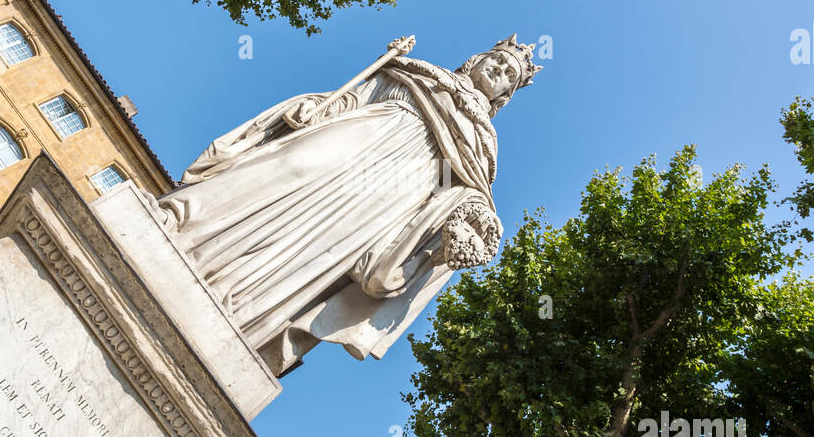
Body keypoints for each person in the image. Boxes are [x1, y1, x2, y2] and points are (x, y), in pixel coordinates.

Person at [161, 34, 540, 375]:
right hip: (357, 136)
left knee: (317, 243)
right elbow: (359, 97)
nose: (500, 69)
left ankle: (242, 302)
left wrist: (464, 225)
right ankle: (184, 226)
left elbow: (454, 194)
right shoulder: (421, 74)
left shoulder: (483, 145)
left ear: (504, 96)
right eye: (498, 60)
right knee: (286, 168)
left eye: (508, 72)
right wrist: (319, 109)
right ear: (476, 59)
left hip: (393, 192)